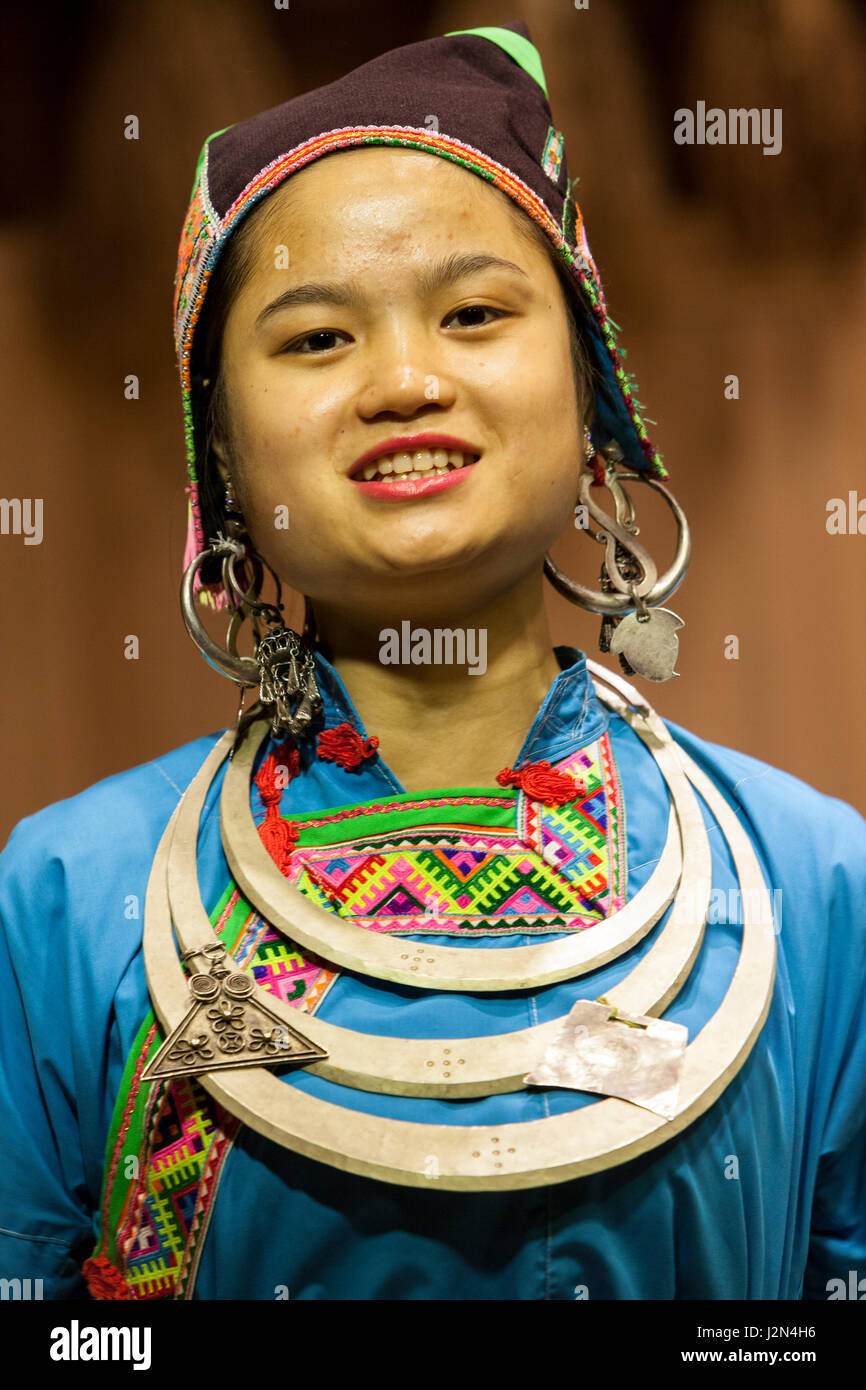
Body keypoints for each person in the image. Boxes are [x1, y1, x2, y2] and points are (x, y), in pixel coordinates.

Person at [0, 21, 863, 1302]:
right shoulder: (76, 900)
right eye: (314, 340)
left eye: (471, 314)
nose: (403, 382)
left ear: (588, 399)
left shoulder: (809, 884)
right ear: (223, 465)